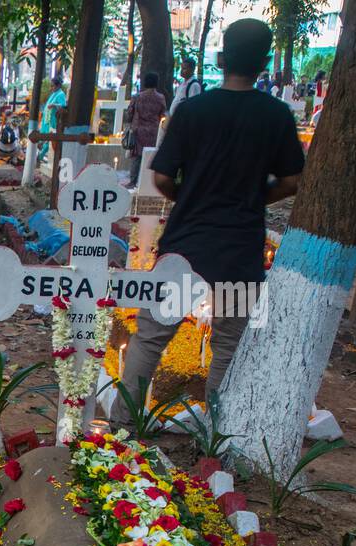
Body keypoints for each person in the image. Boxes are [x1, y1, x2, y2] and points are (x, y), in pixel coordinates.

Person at [118, 18, 303, 410]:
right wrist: (254, 200)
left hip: (187, 246)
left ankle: (121, 427)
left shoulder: (192, 111)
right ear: (266, 62)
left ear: (220, 58)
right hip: (241, 250)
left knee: (151, 335)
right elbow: (291, 181)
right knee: (228, 346)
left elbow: (162, 176)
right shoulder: (277, 116)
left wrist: (189, 198)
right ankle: (215, 439)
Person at [126, 71, 167, 183]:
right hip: (154, 131)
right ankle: (146, 181)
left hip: (138, 130)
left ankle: (133, 181)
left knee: (136, 157)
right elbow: (163, 114)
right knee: (150, 156)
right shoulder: (161, 98)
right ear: (156, 83)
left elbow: (129, 114)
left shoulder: (137, 97)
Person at [37, 76, 66, 160]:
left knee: (49, 138)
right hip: (46, 120)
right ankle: (40, 153)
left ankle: (40, 156)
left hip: (52, 121)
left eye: (53, 86)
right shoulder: (54, 94)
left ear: (58, 86)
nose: (51, 88)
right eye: (51, 85)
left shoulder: (61, 94)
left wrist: (54, 105)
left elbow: (63, 106)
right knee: (45, 137)